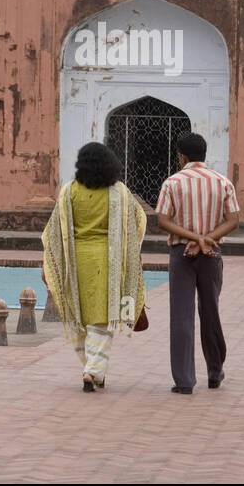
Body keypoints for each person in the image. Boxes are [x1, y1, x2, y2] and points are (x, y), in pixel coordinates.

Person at [41, 142, 147, 392]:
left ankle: (91, 368)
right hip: (107, 263)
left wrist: (48, 262)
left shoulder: (69, 192)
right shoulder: (120, 192)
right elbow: (139, 222)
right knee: (101, 318)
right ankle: (93, 371)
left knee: (81, 317)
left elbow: (53, 232)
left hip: (76, 262)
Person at [155, 132, 240, 394]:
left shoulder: (173, 182)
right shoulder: (222, 182)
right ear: (204, 153)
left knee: (181, 316)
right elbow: (233, 219)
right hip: (211, 255)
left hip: (182, 254)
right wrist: (207, 239)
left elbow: (163, 220)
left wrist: (193, 238)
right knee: (210, 312)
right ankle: (215, 371)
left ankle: (184, 381)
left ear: (181, 155)